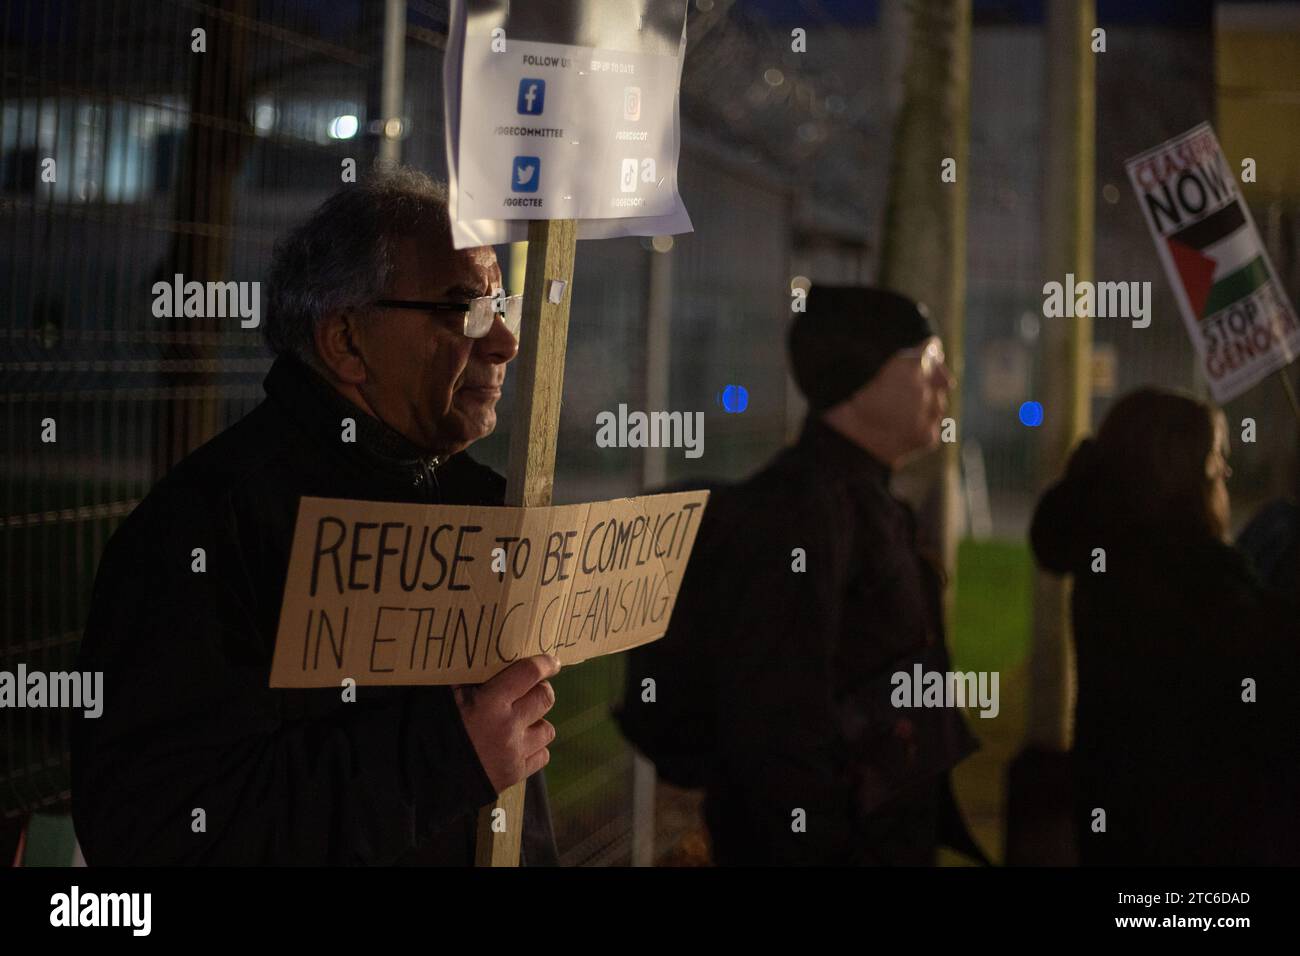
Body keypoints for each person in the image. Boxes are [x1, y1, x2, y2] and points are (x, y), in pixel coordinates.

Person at [72, 167, 561, 866]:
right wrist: (440, 761)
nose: (505, 342)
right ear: (346, 341)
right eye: (464, 311)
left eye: (499, 304)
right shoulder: (207, 531)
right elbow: (161, 832)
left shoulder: (481, 507)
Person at [627, 286, 985, 866]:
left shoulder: (857, 498)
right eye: (928, 361)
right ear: (862, 377)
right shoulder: (800, 514)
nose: (945, 383)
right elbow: (774, 729)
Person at [1031, 387, 1300, 865]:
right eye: (1218, 460)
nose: (1226, 475)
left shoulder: (1115, 557)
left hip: (1121, 821)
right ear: (1187, 475)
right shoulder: (1192, 581)